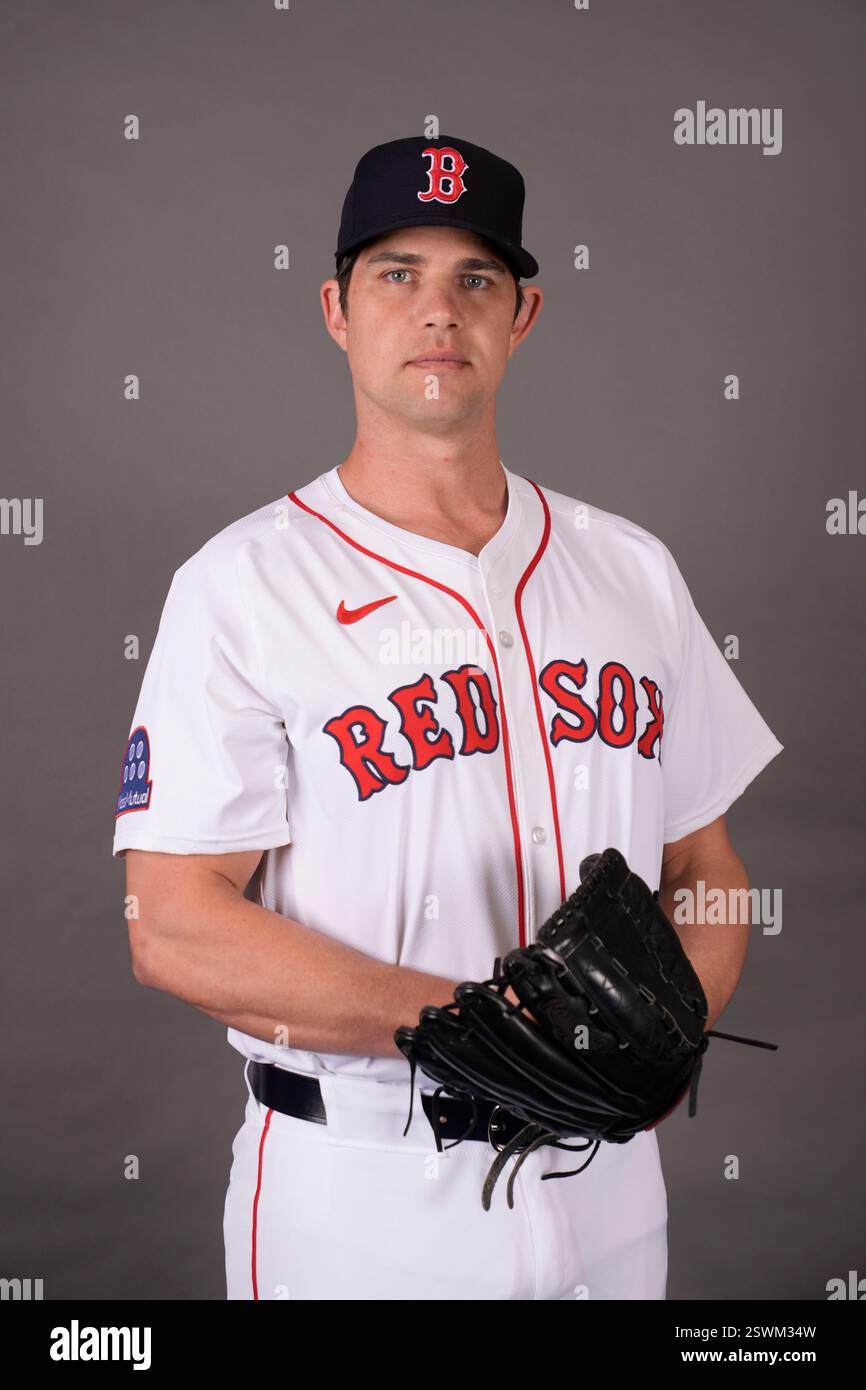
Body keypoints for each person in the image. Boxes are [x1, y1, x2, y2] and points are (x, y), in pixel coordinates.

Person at [112, 135, 783, 1300]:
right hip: (360, 1187)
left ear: (521, 316)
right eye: (397, 274)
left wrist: (669, 1030)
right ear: (336, 308)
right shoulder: (241, 584)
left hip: (604, 1183)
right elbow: (171, 924)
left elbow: (707, 862)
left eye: (475, 279)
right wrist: (471, 1022)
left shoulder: (628, 568)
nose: (438, 310)